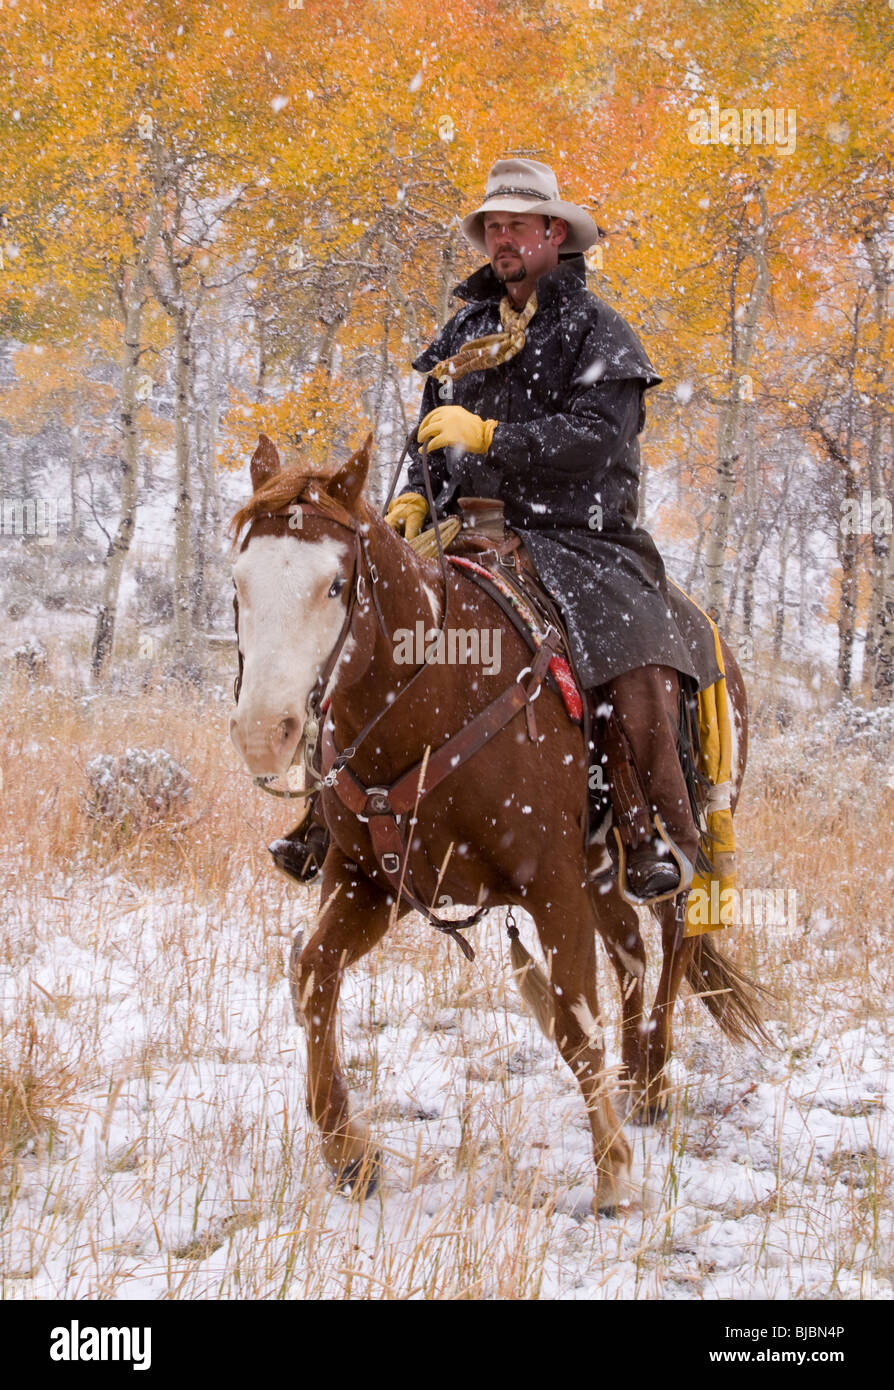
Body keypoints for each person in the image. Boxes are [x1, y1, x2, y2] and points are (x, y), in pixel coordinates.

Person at [273, 157, 707, 901]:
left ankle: (648, 829)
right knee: (356, 618)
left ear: (554, 232)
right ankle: (324, 806)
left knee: (627, 645)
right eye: (492, 227)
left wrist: (492, 436)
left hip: (580, 535)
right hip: (464, 527)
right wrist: (413, 499)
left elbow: (597, 437)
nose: (503, 239)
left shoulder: (599, 330)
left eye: (518, 225)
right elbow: (428, 439)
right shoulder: (464, 330)